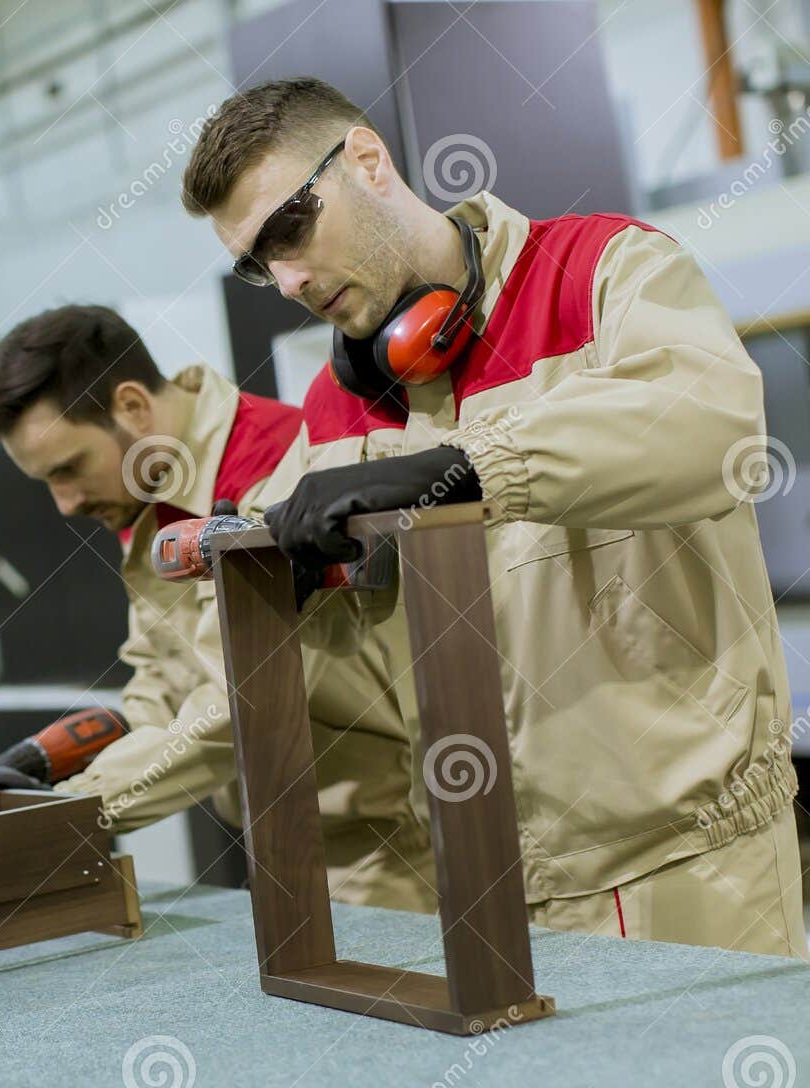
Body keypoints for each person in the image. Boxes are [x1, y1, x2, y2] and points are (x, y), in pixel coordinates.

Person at [180, 76, 807, 958]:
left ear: (367, 161)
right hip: (490, 886)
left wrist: (462, 466)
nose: (284, 279)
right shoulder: (339, 405)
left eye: (288, 230)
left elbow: (710, 428)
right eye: (255, 262)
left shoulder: (602, 269)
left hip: (689, 869)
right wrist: (291, 594)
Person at [0, 304, 435, 912]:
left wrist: (77, 808)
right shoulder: (146, 493)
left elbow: (244, 697)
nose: (65, 504)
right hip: (295, 834)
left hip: (393, 846)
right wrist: (45, 766)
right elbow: (160, 679)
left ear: (131, 408)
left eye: (69, 469)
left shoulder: (278, 471)